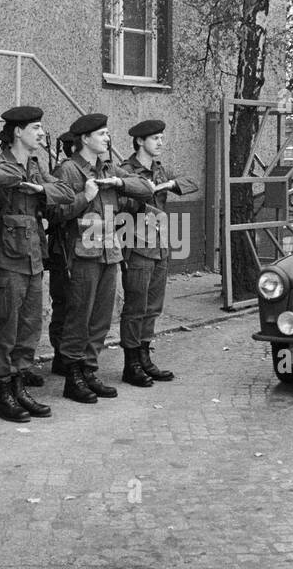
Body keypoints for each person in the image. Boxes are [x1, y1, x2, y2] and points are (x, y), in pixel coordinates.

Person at [0, 106, 76, 421]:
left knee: (30, 328)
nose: (42, 133)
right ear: (18, 132)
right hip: (5, 261)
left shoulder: (34, 165)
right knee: (6, 330)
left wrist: (40, 189)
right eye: (35, 128)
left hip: (33, 260)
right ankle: (3, 394)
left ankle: (20, 388)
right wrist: (4, 188)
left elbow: (67, 192)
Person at [48, 113, 154, 403]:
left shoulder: (110, 168)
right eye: (102, 134)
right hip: (82, 256)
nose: (107, 138)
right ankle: (73, 377)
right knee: (78, 318)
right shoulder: (68, 171)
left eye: (107, 133)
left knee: (101, 320)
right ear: (85, 138)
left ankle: (89, 372)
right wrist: (84, 196)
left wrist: (119, 183)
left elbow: (146, 189)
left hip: (110, 253)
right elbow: (54, 214)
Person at [117, 119, 199, 386]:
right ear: (140, 141)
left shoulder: (160, 170)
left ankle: (145, 357)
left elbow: (191, 182)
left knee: (153, 307)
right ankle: (131, 364)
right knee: (135, 306)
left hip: (161, 244)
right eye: (155, 139)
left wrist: (165, 186)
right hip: (138, 244)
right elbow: (123, 205)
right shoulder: (127, 170)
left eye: (162, 138)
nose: (161, 143)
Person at [45, 131, 79, 375]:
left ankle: (70, 355)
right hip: (62, 247)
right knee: (63, 302)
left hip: (81, 246)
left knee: (76, 304)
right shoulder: (62, 172)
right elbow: (55, 214)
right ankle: (60, 355)